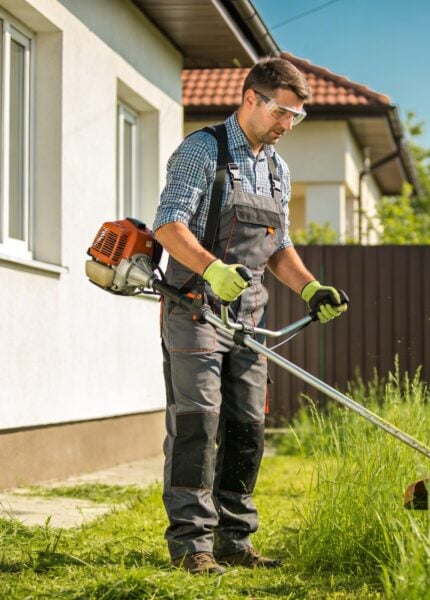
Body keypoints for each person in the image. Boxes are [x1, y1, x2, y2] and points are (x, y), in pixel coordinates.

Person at [153, 57, 347, 575]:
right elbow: (168, 226)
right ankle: (192, 546)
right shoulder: (203, 151)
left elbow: (277, 247)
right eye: (282, 112)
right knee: (198, 424)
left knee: (246, 428)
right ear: (250, 99)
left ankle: (234, 540)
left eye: (296, 118)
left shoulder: (278, 169)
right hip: (194, 307)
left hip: (249, 317)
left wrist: (311, 288)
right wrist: (212, 268)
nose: (287, 125)